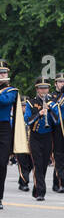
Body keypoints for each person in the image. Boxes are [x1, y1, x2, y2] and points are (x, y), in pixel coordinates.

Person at [23, 80, 57, 201]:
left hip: (48, 137)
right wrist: (40, 113)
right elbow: (27, 120)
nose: (44, 91)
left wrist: (50, 110)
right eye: (41, 88)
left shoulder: (52, 102)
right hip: (35, 137)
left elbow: (57, 121)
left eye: (46, 88)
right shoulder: (30, 103)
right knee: (37, 164)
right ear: (37, 89)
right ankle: (41, 192)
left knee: (44, 165)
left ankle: (36, 189)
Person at [0, 63, 17, 208]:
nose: (2, 75)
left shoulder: (11, 90)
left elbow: (5, 101)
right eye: (0, 73)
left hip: (4, 128)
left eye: (4, 73)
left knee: (1, 164)